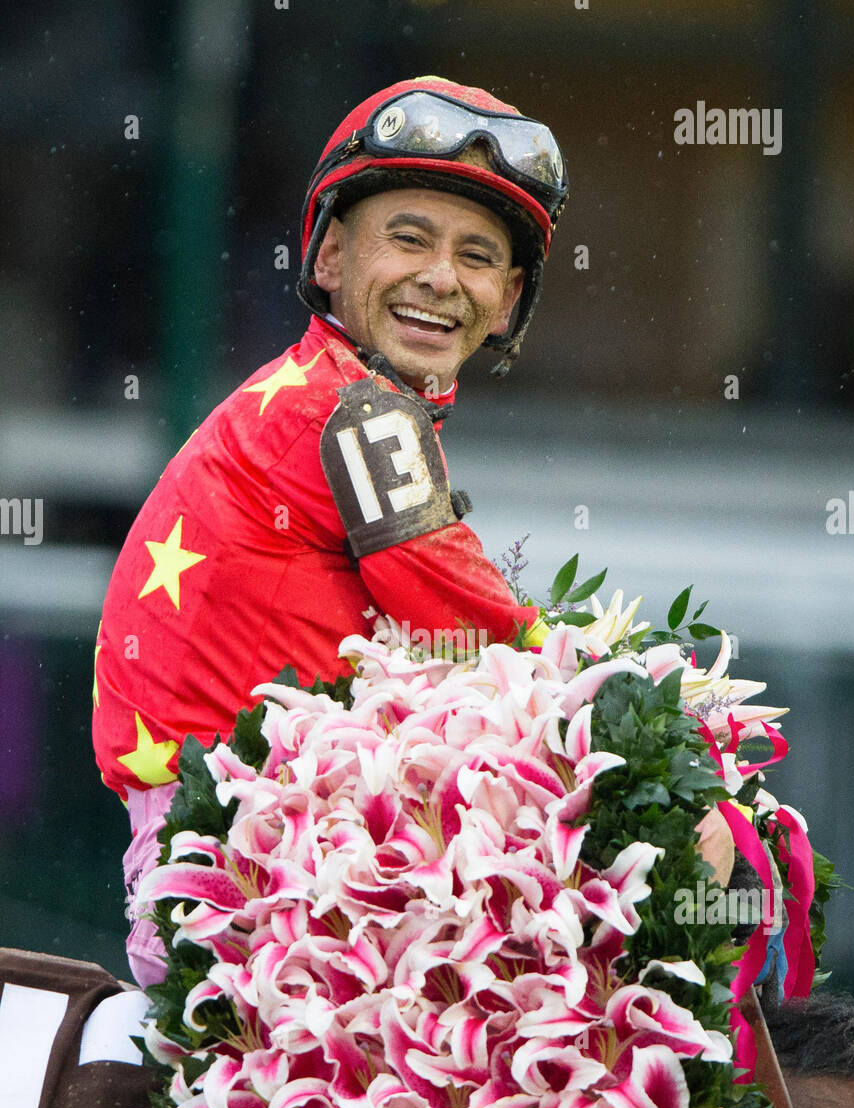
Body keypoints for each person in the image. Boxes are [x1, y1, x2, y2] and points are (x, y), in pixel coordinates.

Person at [91, 75, 568, 985]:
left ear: (506, 301)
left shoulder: (331, 390)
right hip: (249, 894)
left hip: (276, 861)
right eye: (410, 238)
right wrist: (644, 721)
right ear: (329, 258)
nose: (440, 277)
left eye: (476, 256)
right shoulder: (356, 411)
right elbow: (472, 629)